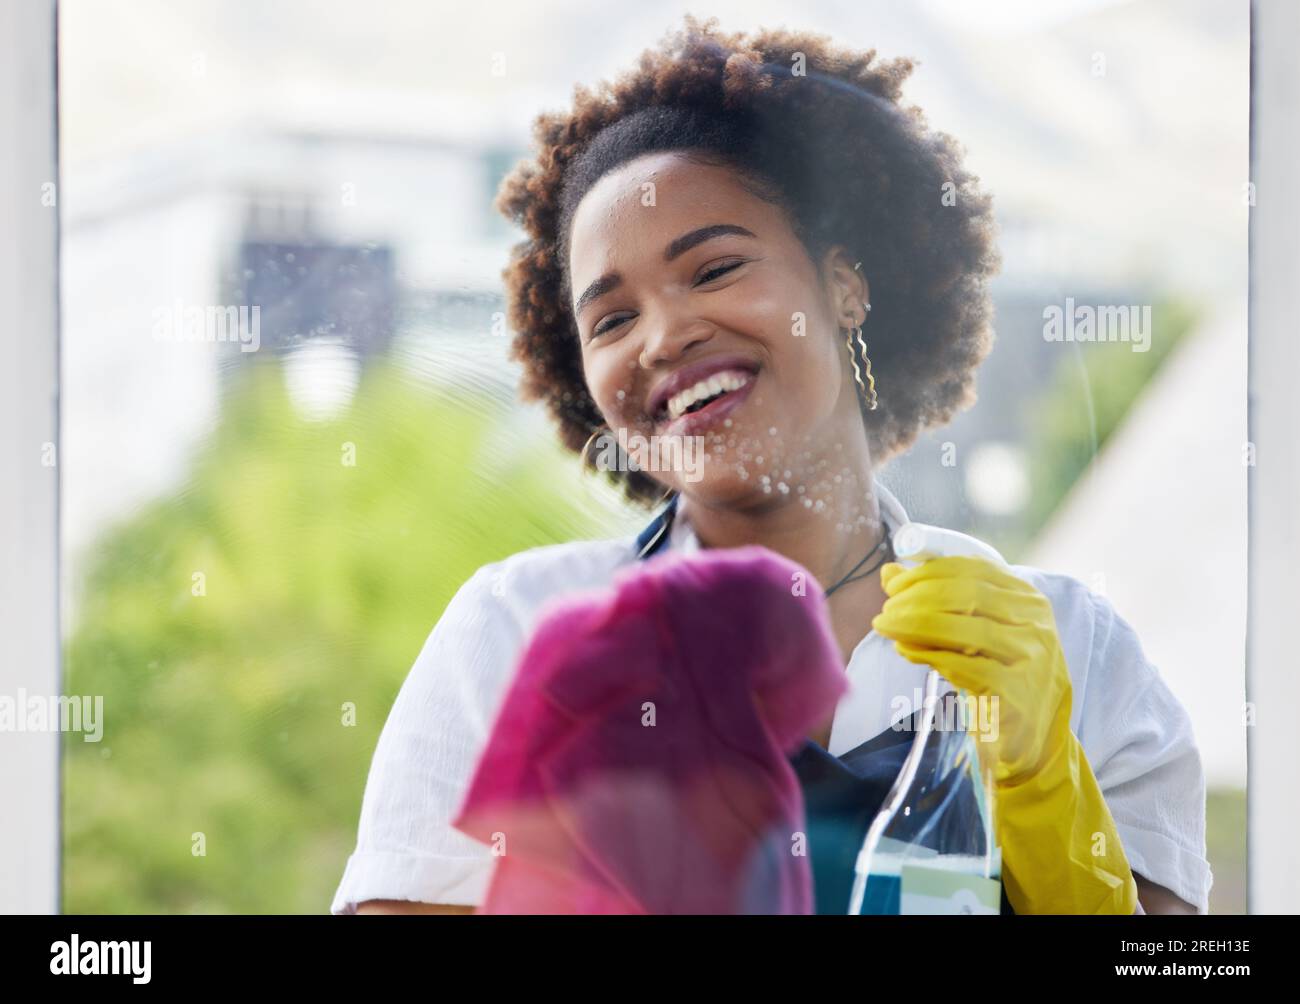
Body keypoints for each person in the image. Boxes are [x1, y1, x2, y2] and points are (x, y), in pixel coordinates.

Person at [331, 15, 1212, 915]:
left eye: (713, 268)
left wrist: (1055, 819)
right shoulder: (516, 632)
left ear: (844, 286)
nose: (665, 335)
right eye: (612, 319)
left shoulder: (1070, 647)